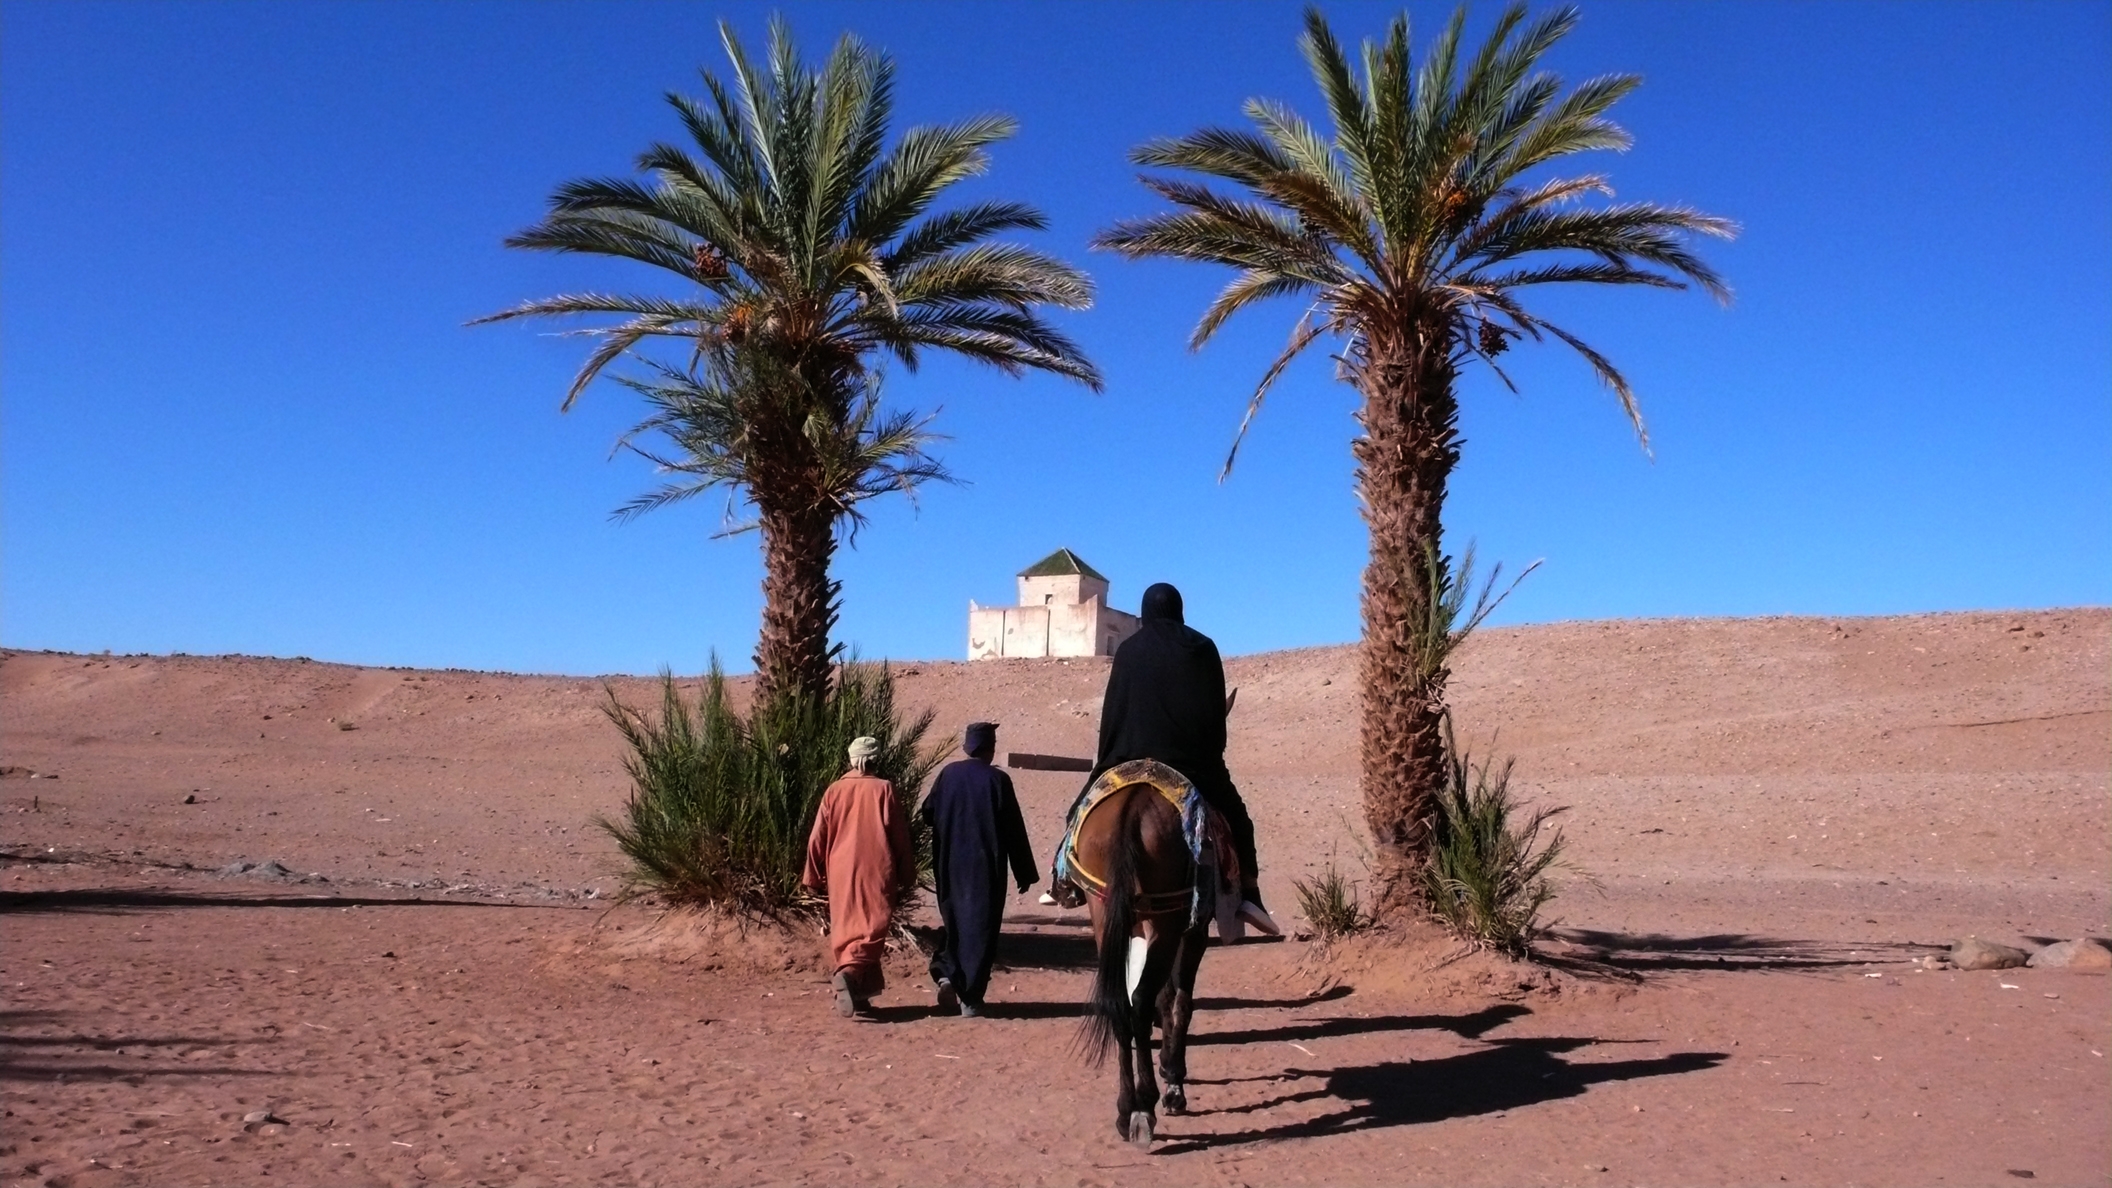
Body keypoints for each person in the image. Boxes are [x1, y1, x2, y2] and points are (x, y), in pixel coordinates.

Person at [1053, 582, 1278, 935]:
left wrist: (1108, 758)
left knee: (1078, 811)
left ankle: (1062, 878)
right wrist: (1211, 756)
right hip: (1188, 762)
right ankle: (1250, 894)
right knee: (1237, 817)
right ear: (1179, 610)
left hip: (1125, 756)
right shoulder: (1202, 647)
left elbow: (1113, 713)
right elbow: (1210, 716)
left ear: (1144, 613)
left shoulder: (1127, 650)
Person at [920, 721, 1038, 1018]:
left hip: (950, 866)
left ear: (966, 746)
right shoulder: (998, 781)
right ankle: (970, 997)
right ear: (990, 748)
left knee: (954, 922)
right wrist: (1025, 873)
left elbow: (927, 813)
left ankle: (947, 974)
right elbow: (1014, 831)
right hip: (986, 868)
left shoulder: (948, 775)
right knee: (980, 930)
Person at [803, 735, 914, 1019]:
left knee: (847, 925)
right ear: (875, 759)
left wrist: (812, 875)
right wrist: (906, 872)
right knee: (871, 927)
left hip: (839, 870)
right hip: (876, 868)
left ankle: (860, 994)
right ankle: (849, 975)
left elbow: (817, 837)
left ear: (851, 760)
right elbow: (899, 836)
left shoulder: (834, 791)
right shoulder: (885, 789)